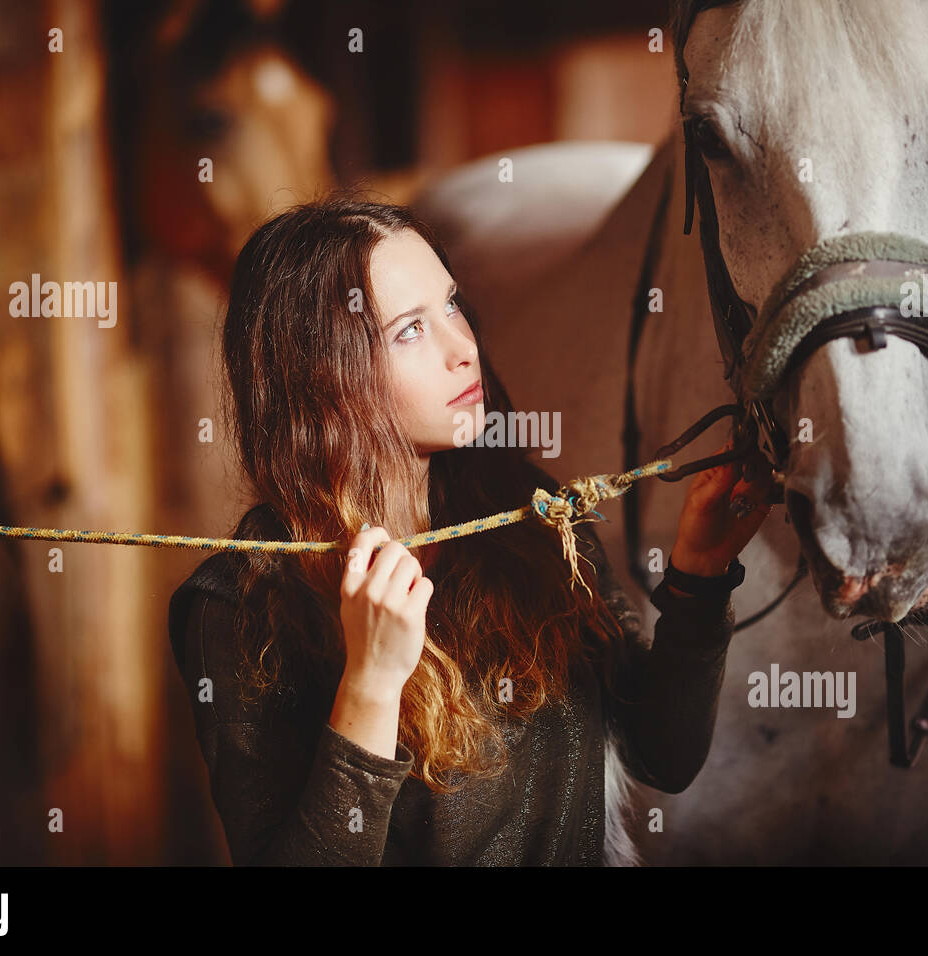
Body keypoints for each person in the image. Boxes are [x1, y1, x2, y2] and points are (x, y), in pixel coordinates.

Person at [166, 195, 773, 865]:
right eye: (409, 330)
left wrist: (699, 577)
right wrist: (369, 685)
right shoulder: (241, 605)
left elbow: (665, 755)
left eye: (452, 305)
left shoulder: (531, 516)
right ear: (320, 376)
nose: (463, 348)